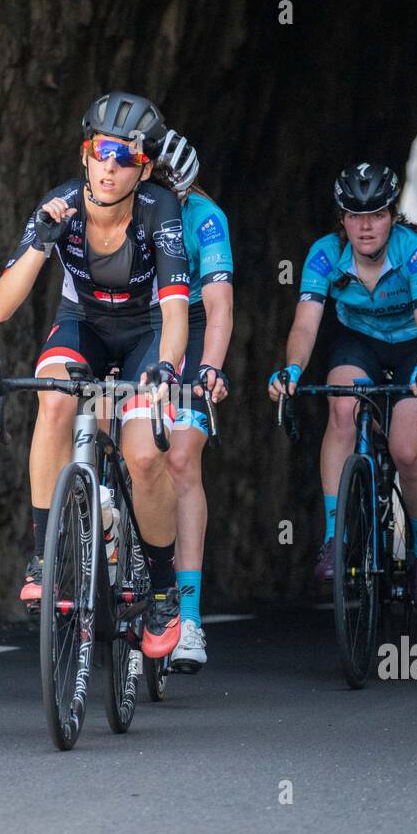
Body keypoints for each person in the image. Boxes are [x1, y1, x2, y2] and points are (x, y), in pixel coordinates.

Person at [0, 91, 191, 657]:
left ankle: (164, 591)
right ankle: (43, 553)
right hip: (83, 323)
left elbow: (175, 311)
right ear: (85, 153)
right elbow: (0, 308)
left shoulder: (159, 213)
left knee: (144, 454)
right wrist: (39, 247)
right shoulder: (57, 206)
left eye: (125, 157)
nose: (110, 166)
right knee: (53, 399)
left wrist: (167, 369)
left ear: (144, 167)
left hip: (145, 330)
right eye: (102, 151)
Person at [267, 162, 417, 612]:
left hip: (415, 345)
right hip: (359, 341)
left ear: (392, 215)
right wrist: (292, 370)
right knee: (341, 409)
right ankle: (335, 537)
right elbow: (306, 327)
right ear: (342, 219)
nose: (366, 226)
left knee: (408, 450)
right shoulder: (325, 255)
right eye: (354, 215)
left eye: (377, 214)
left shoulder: (412, 254)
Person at [151, 130, 233, 672]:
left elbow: (219, 305)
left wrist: (209, 369)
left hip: (193, 328)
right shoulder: (118, 203)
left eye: (170, 190)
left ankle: (189, 618)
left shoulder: (205, 219)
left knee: (180, 458)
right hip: (138, 325)